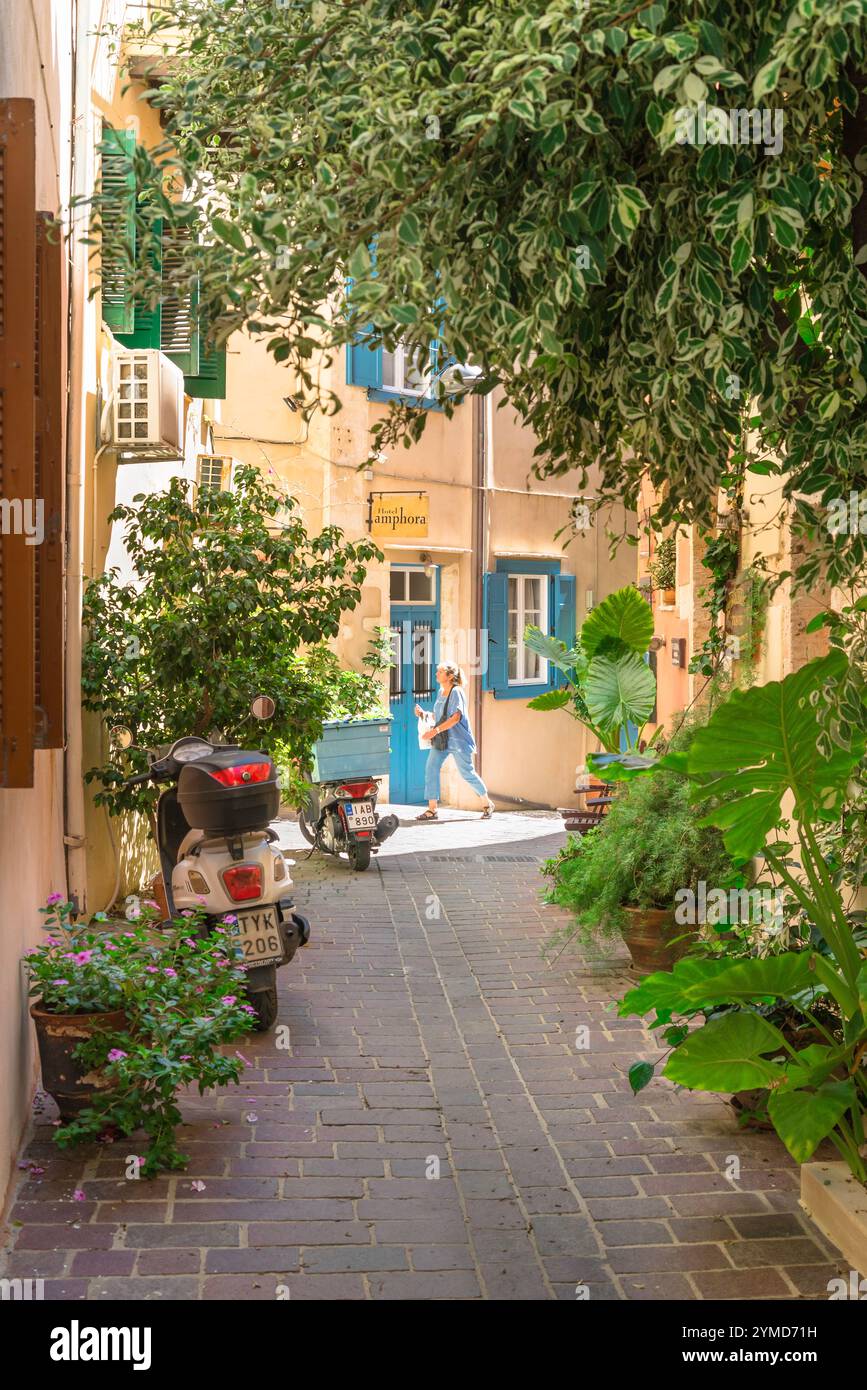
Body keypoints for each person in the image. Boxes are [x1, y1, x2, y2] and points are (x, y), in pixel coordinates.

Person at [414, 663, 494, 821]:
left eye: (440, 671)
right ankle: (432, 809)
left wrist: (434, 731)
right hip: (442, 740)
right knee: (431, 768)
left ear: (450, 676)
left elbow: (456, 718)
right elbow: (439, 716)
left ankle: (487, 803)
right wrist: (423, 714)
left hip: (458, 741)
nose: (437, 673)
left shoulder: (457, 691)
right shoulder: (440, 691)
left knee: (467, 773)